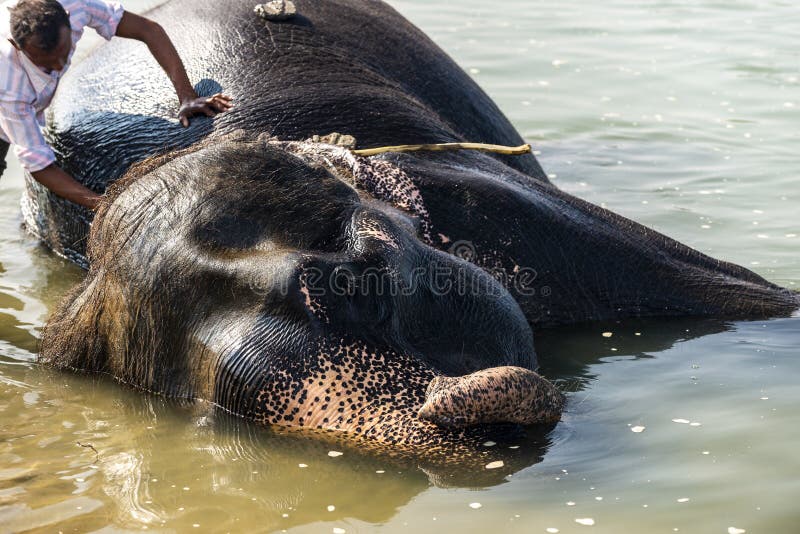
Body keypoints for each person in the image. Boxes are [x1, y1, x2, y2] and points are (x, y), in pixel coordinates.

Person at [0, 0, 232, 209]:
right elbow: (38, 164)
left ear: (68, 18)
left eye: (65, 53)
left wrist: (186, 94)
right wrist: (104, 206)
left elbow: (148, 29)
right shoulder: (9, 85)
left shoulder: (74, 6)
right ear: (17, 46)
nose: (60, 67)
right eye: (48, 66)